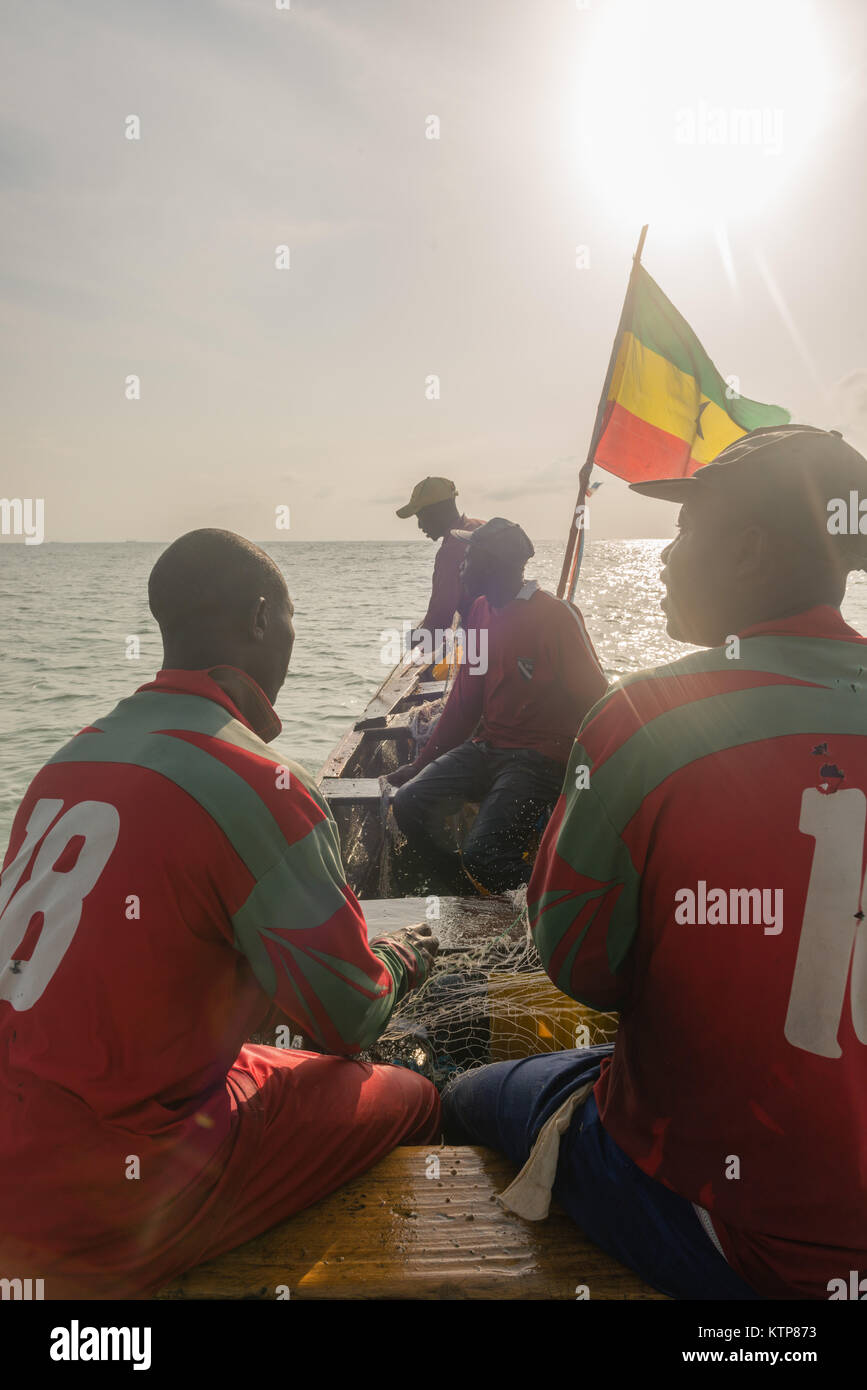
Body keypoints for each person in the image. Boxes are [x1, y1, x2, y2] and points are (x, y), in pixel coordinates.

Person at [442, 425, 867, 1301]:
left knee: (463, 1094)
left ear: (746, 550)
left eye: (686, 531)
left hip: (728, 1235)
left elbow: (581, 968)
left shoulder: (649, 716)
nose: (667, 557)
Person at [0, 529, 440, 1300]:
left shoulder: (64, 763)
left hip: (23, 1135)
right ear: (263, 618)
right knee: (414, 1097)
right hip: (111, 1200)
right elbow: (350, 1019)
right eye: (296, 622)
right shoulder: (256, 779)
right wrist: (403, 958)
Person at [388, 517, 607, 893]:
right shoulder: (478, 612)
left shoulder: (557, 617)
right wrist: (418, 765)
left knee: (486, 854)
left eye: (469, 557)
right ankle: (464, 892)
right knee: (409, 804)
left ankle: (544, 908)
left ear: (492, 566)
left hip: (541, 760)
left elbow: (599, 703)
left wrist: (595, 780)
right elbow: (464, 704)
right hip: (489, 748)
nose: (461, 566)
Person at [396, 476, 484, 645]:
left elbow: (439, 620)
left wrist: (416, 639)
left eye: (420, 516)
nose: (420, 526)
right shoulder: (481, 527)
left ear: (434, 512)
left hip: (484, 639)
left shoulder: (450, 551)